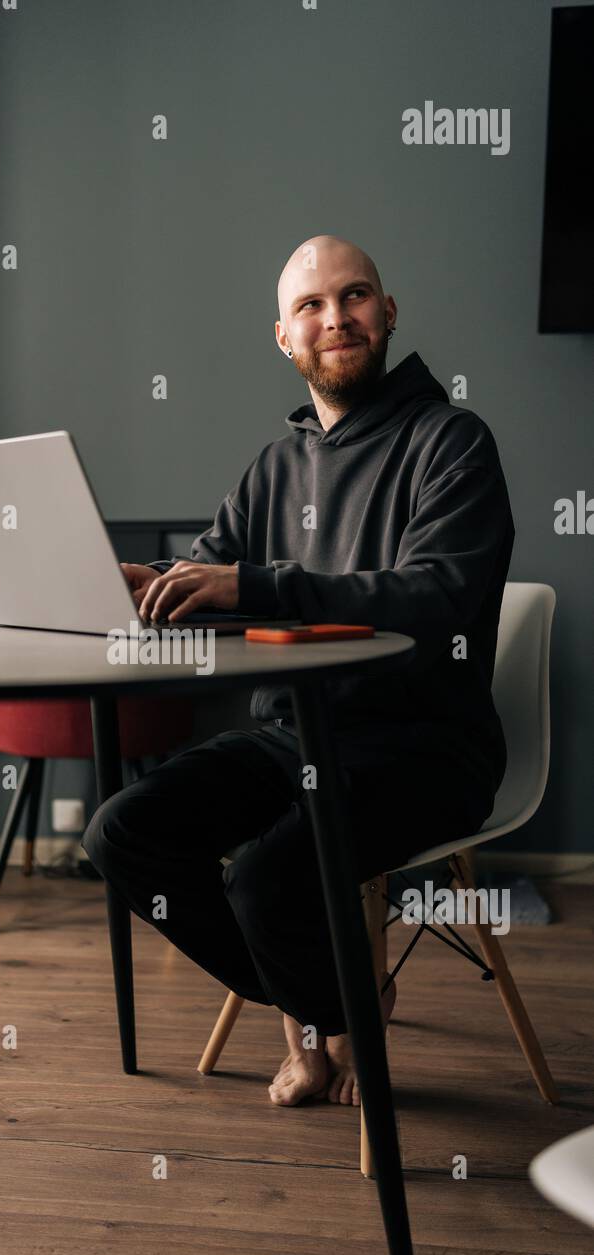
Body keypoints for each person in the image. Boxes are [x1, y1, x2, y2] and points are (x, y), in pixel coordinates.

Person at [81, 234, 514, 1107]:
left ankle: (330, 1016)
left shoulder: (452, 441)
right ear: (284, 338)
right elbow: (213, 579)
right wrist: (151, 590)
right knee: (120, 834)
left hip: (425, 749)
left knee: (268, 878)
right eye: (310, 306)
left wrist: (252, 583)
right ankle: (334, 1006)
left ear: (387, 315)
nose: (335, 319)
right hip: (293, 740)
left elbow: (432, 596)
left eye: (354, 298)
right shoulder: (273, 468)